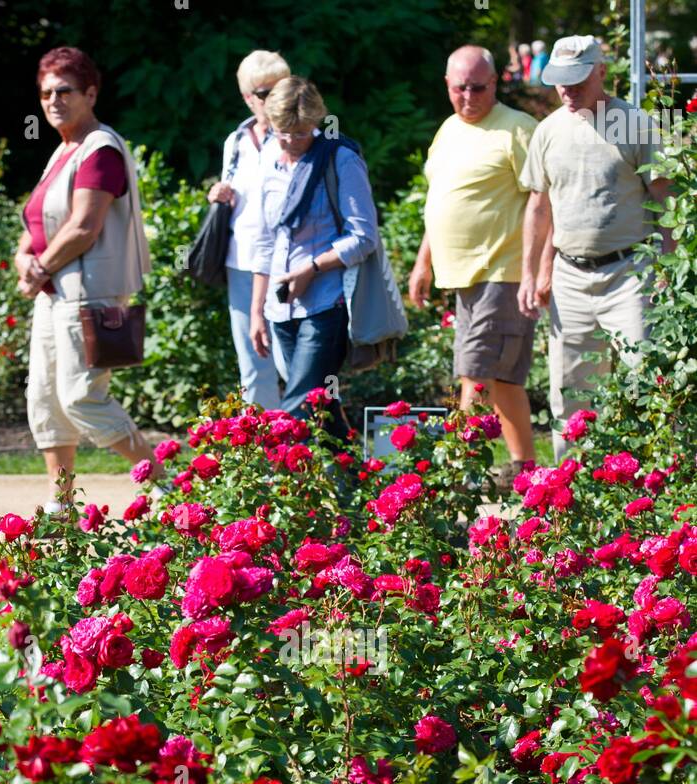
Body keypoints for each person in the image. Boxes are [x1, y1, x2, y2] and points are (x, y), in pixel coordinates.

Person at [518, 35, 673, 458]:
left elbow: (666, 200)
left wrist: (668, 272)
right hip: (570, 279)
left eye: (577, 80)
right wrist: (532, 273)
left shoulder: (635, 125)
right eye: (560, 82)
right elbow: (538, 207)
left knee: (653, 383)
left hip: (632, 276)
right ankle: (573, 498)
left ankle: (661, 488)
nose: (566, 90)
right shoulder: (549, 130)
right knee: (570, 394)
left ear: (602, 72)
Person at [15, 46, 155, 513]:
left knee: (80, 398)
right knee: (45, 401)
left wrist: (40, 268)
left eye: (64, 91)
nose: (53, 100)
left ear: (91, 93)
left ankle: (165, 484)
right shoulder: (62, 149)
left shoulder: (100, 149)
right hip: (53, 297)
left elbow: (83, 226)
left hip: (88, 295)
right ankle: (62, 508)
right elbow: (36, 220)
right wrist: (23, 259)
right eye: (46, 93)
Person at [408, 45, 539, 474]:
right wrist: (423, 263)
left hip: (503, 272)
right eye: (459, 88)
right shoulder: (448, 130)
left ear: (495, 82)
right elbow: (440, 200)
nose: (468, 97)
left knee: (475, 375)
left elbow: (544, 202)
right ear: (447, 85)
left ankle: (458, 476)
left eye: (478, 87)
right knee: (502, 380)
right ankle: (525, 470)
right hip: (462, 275)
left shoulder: (518, 129)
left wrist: (538, 269)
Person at [249, 76, 378, 438]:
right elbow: (263, 241)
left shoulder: (340, 159)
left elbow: (364, 236)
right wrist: (257, 312)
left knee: (298, 402)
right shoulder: (268, 159)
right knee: (321, 407)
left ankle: (263, 471)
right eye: (282, 132)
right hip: (279, 307)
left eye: (301, 133)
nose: (290, 141)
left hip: (326, 303)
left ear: (317, 123)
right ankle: (356, 488)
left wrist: (312, 267)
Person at [208, 49, 290, 410]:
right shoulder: (236, 141)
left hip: (291, 263)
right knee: (253, 363)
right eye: (263, 93)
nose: (272, 99)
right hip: (241, 260)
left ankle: (312, 447)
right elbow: (233, 193)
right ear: (246, 98)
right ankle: (264, 452)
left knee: (294, 360)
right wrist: (218, 194)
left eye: (280, 89)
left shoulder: (302, 136)